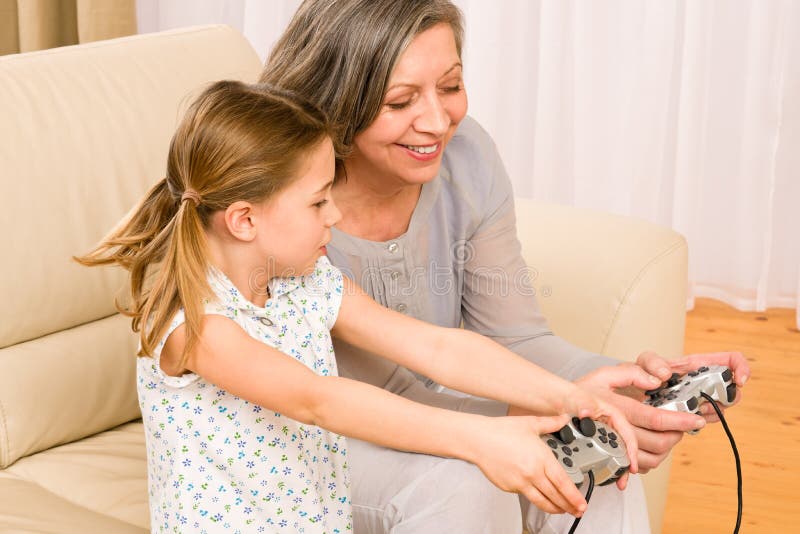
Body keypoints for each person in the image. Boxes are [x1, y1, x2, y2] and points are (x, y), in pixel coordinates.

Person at [260, 1, 752, 532]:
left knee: (589, 449)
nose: (436, 121)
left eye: (450, 87)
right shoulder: (278, 215)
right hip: (313, 440)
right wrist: (501, 429)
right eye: (400, 100)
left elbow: (492, 342)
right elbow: (316, 401)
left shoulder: (466, 154)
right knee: (466, 481)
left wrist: (608, 390)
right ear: (337, 101)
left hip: (429, 410)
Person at [76, 81, 639, 533]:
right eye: (319, 201)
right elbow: (318, 400)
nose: (335, 217)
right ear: (245, 219)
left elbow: (434, 346)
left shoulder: (306, 281)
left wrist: (568, 392)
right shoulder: (194, 326)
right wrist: (480, 439)